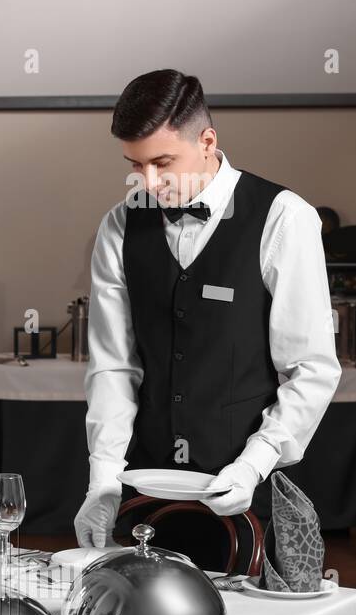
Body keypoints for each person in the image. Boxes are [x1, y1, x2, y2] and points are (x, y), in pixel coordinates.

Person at [77, 70, 341, 546]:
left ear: (207, 140)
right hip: (147, 492)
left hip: (248, 492)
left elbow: (311, 369)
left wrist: (253, 464)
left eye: (163, 162)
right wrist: (104, 481)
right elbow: (114, 367)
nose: (149, 182)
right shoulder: (119, 225)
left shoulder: (282, 217)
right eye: (136, 166)